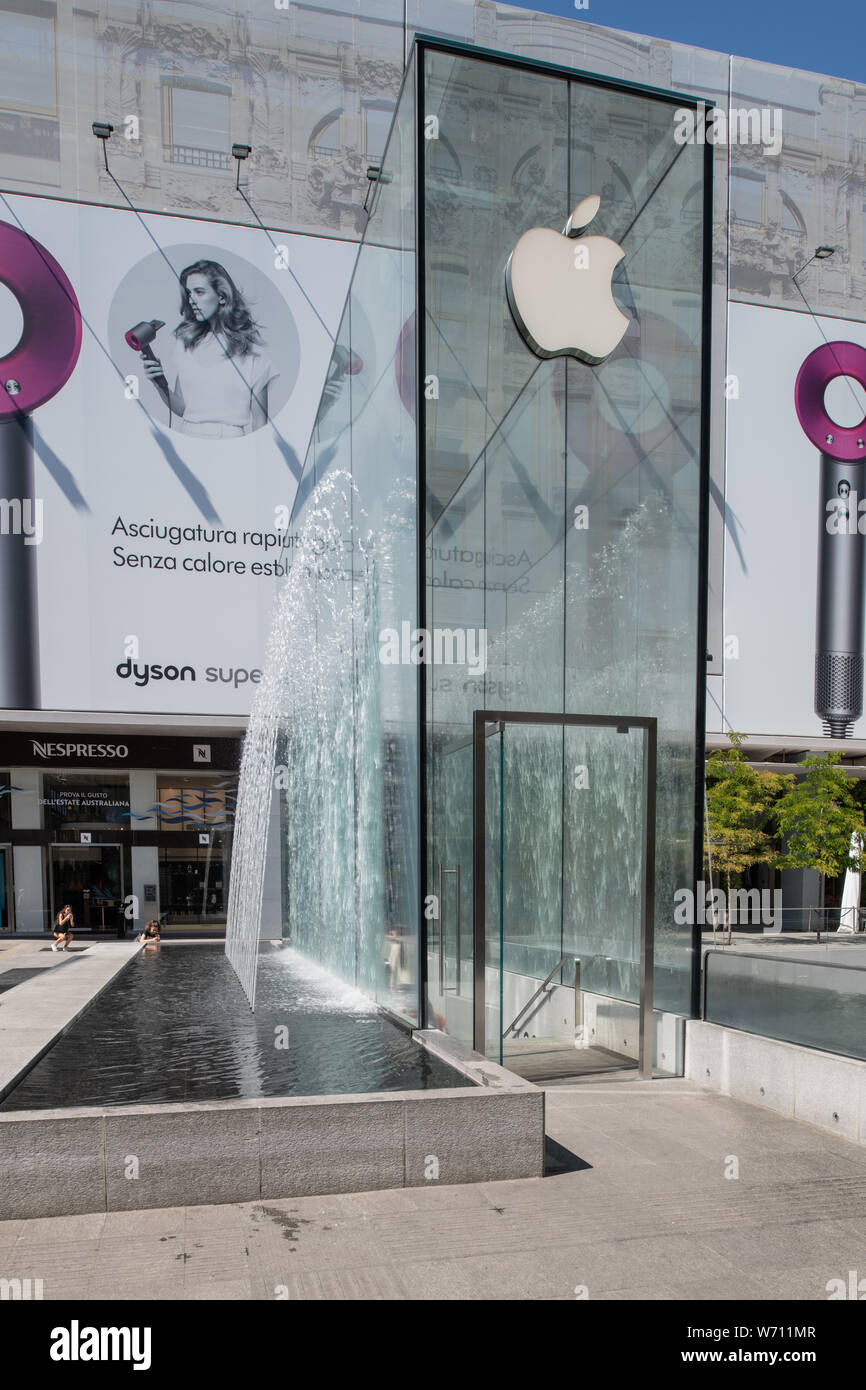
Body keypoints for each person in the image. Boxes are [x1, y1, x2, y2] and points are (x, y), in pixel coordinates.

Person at [140, 260, 278, 438]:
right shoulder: (187, 343)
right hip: (188, 436)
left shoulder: (250, 351)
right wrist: (158, 382)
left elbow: (260, 423)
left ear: (222, 296)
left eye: (199, 292)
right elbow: (182, 408)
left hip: (230, 442)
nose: (191, 300)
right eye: (189, 293)